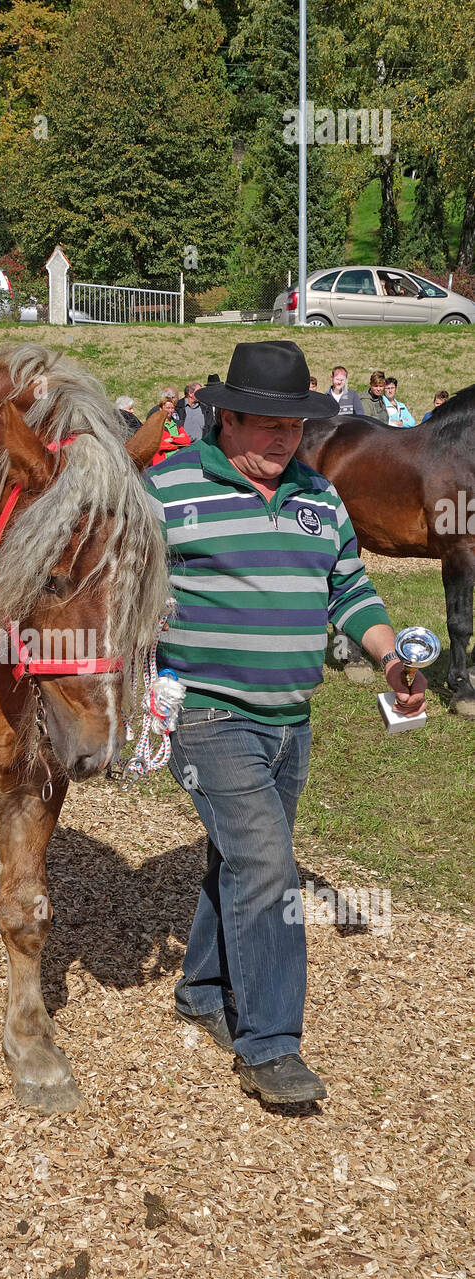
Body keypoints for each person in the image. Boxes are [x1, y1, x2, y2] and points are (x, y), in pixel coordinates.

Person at [143, 339, 425, 1106]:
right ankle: (270, 1045)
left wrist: (393, 659)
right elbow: (118, 593)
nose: (284, 439)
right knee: (267, 865)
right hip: (206, 714)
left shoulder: (318, 498)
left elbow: (352, 593)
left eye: (295, 426)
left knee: (237, 859)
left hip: (290, 722)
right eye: (267, 424)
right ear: (225, 417)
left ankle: (203, 988)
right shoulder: (163, 491)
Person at [147, 388, 192, 465]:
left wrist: (171, 439)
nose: (170, 411)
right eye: (168, 408)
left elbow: (187, 441)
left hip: (178, 461)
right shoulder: (156, 426)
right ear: (161, 409)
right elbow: (157, 446)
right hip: (161, 463)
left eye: (172, 408)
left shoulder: (177, 424)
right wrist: (178, 441)